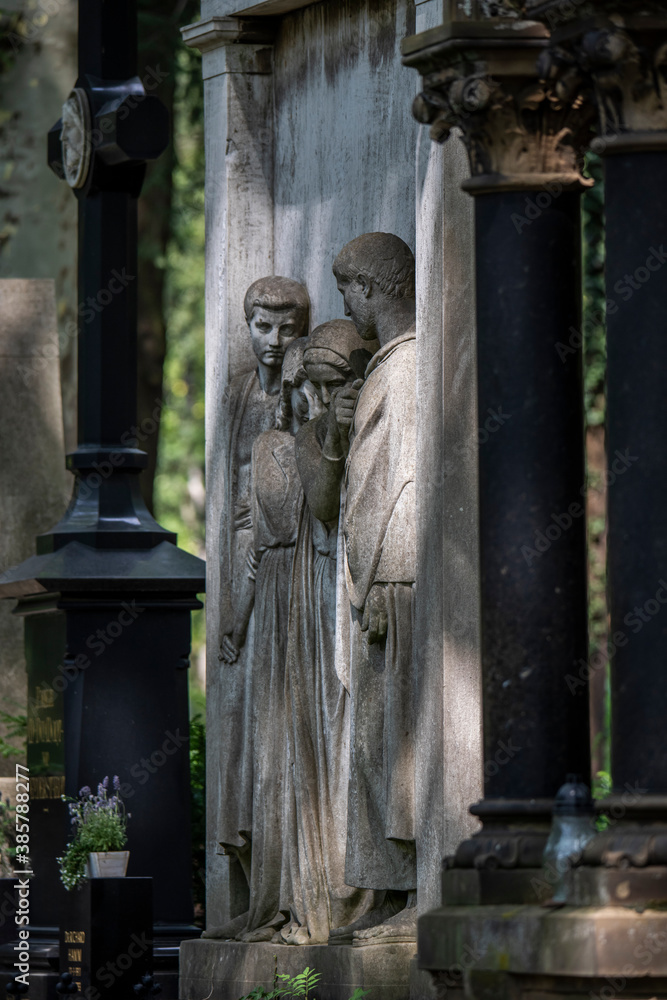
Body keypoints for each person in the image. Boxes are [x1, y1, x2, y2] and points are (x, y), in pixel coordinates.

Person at [309, 233, 418, 945]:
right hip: (376, 576)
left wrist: (382, 574)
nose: (345, 303)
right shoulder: (385, 364)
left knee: (399, 738)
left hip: (394, 576)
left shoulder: (408, 364)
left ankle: (416, 890)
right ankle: (389, 886)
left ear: (372, 287)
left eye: (348, 288)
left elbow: (403, 478)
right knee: (375, 742)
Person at [213, 277, 309, 933]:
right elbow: (233, 497)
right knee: (242, 741)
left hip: (280, 567)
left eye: (286, 328)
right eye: (262, 326)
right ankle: (252, 890)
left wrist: (244, 603)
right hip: (243, 560)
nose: (273, 341)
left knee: (275, 742)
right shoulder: (239, 391)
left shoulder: (302, 392)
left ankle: (282, 894)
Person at [280, 320, 379, 945]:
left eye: (333, 384)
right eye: (313, 389)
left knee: (358, 733)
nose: (320, 398)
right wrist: (334, 434)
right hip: (324, 598)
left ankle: (362, 886)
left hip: (362, 591)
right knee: (328, 732)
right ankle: (328, 891)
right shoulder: (313, 435)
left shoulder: (384, 404)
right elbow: (321, 501)